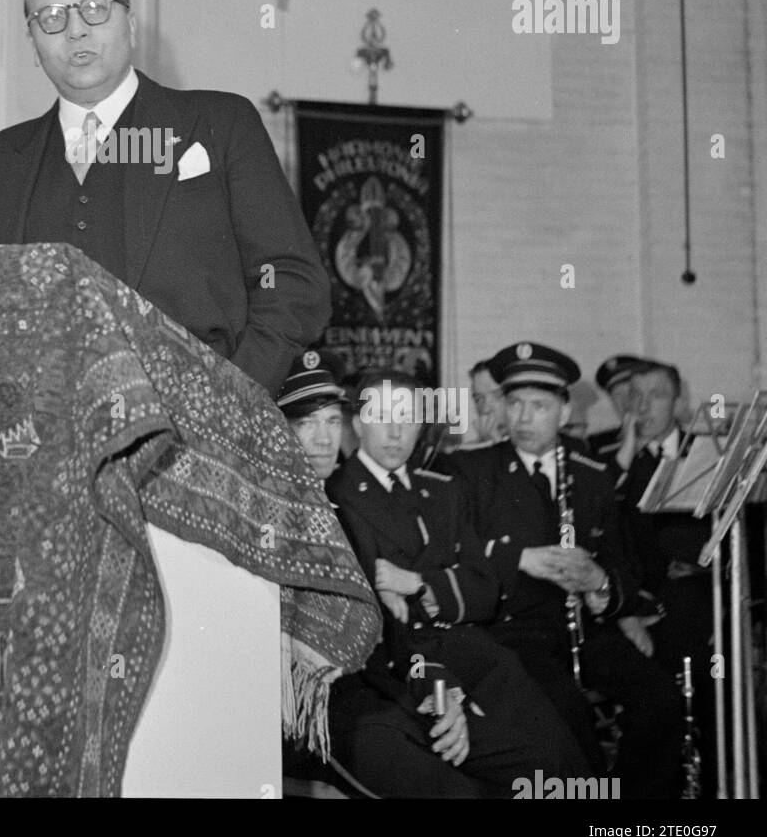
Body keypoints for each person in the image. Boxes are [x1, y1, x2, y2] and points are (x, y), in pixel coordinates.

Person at [0, 0, 330, 396]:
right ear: (33, 42)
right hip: (46, 440)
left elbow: (292, 281)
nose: (76, 29)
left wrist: (232, 399)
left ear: (130, 25)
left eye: (95, 8)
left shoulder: (220, 123)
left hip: (202, 430)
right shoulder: (1, 161)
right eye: (52, 17)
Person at [279, 354, 584, 798]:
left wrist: (418, 583)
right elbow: (383, 629)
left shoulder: (441, 489)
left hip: (467, 653)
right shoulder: (340, 498)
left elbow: (486, 588)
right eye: (381, 417)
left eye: (406, 417)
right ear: (359, 425)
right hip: (400, 671)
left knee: (558, 768)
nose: (395, 430)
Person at [452, 341, 684, 798]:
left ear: (563, 411)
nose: (522, 417)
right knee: (570, 725)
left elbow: (623, 566)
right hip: (511, 633)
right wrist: (520, 557)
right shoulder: (470, 470)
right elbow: (451, 551)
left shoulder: (592, 472)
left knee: (661, 701)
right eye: (514, 403)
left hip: (585, 630)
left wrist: (600, 584)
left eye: (538, 406)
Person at [611, 357, 716, 796]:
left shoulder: (708, 456)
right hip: (635, 605)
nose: (644, 406)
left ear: (679, 402)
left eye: (656, 395)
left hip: (698, 598)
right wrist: (624, 455)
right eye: (635, 396)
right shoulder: (613, 462)